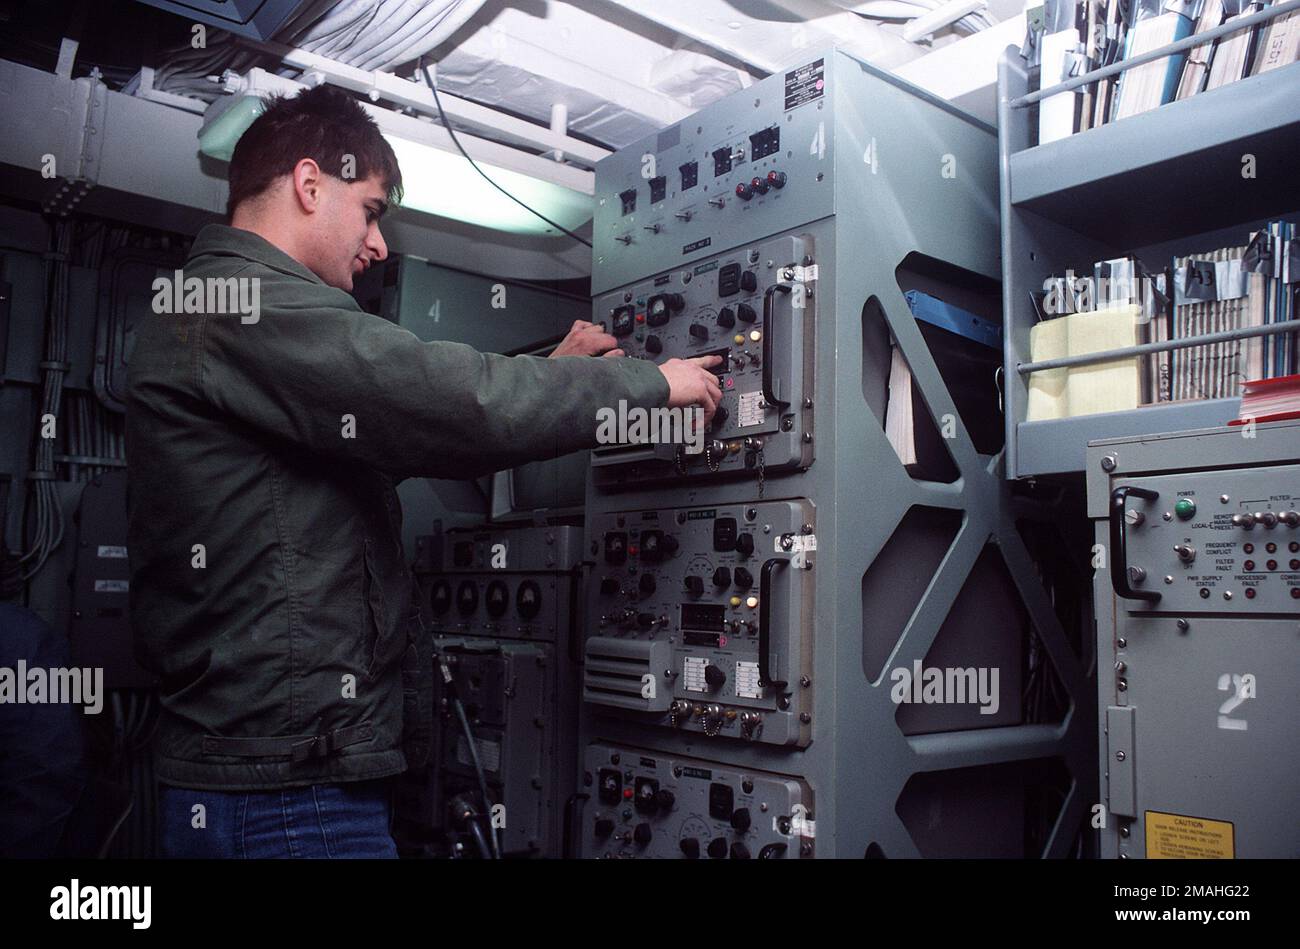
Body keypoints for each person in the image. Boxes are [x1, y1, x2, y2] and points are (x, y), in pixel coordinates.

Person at [126, 83, 721, 858]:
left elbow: (351, 467)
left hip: (280, 778)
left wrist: (552, 372)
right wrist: (649, 383)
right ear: (310, 185)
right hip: (284, 794)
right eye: (371, 210)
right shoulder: (239, 304)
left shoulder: (222, 313)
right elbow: (439, 402)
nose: (377, 245)